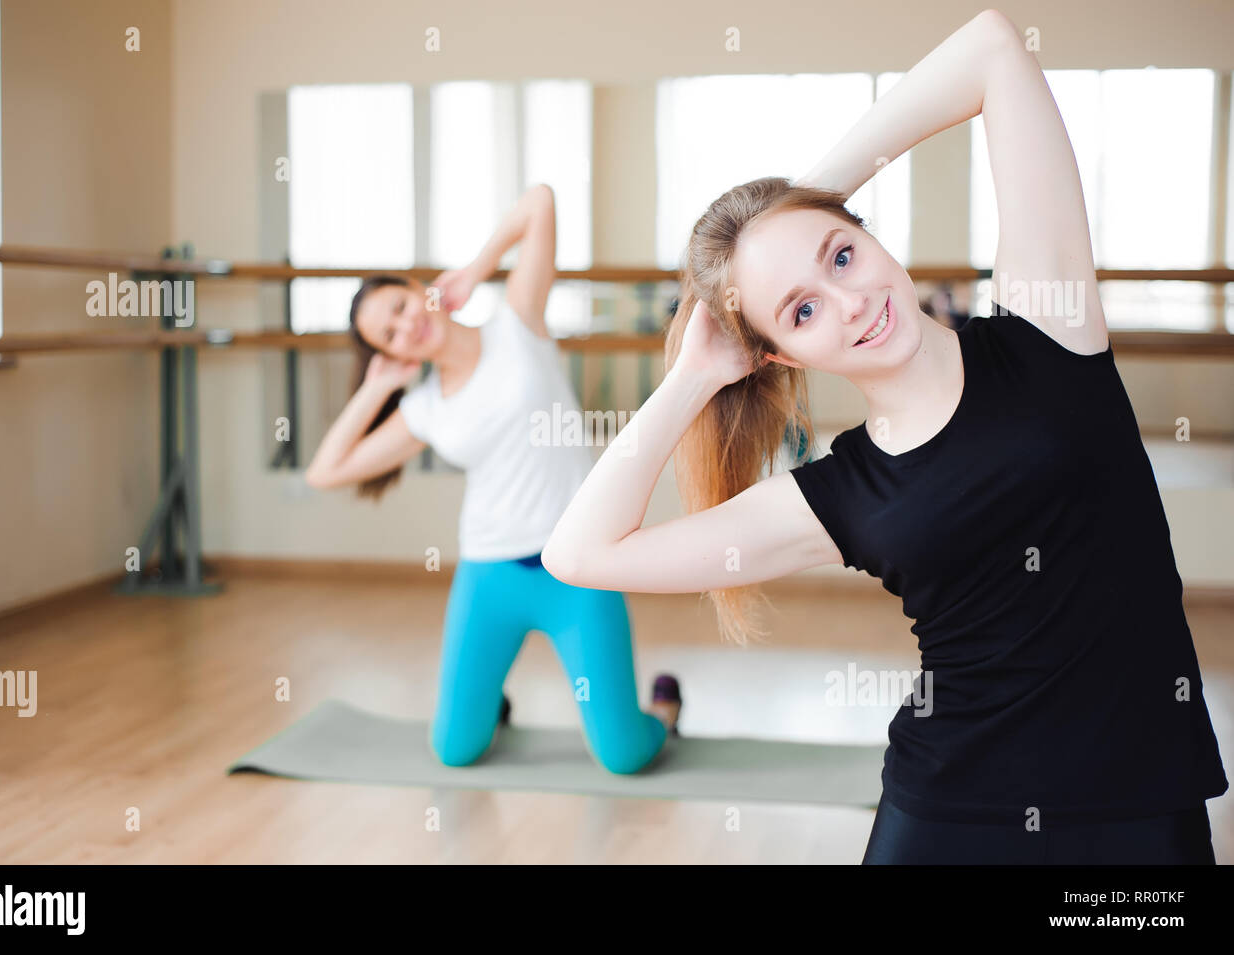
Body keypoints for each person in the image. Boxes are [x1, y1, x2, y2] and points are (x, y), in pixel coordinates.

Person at [542, 10, 1226, 863]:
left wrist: (797, 205)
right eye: (800, 310)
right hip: (949, 817)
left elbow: (991, 47)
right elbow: (580, 552)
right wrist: (691, 375)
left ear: (869, 233)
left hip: (1143, 807)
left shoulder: (1050, 329)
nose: (850, 302)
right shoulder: (834, 496)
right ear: (776, 353)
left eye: (839, 255)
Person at [305, 184, 681, 775]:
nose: (405, 329)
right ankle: (487, 707)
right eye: (388, 335)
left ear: (417, 290)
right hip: (490, 574)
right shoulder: (425, 408)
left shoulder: (517, 320)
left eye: (400, 308)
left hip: (577, 567)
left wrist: (475, 270)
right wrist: (378, 386)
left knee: (624, 755)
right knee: (455, 751)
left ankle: (663, 708)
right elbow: (325, 472)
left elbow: (540, 201)